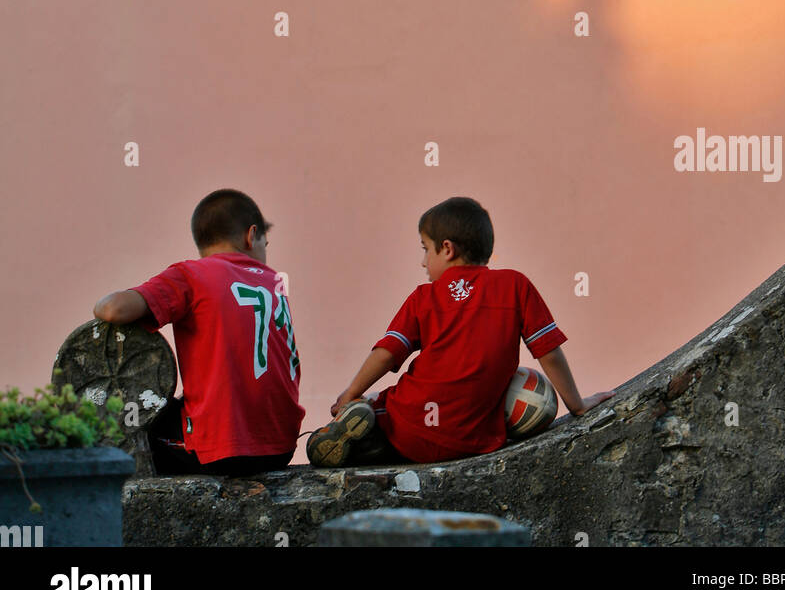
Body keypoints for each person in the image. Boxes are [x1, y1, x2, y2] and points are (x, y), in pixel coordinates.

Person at [306, 195, 613, 466]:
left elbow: (387, 354)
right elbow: (548, 351)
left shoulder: (423, 297)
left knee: (374, 411)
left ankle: (359, 428)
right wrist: (577, 404)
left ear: (447, 249)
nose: (423, 262)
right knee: (395, 425)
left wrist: (350, 393)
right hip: (474, 438)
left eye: (426, 250)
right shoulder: (515, 285)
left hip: (412, 425)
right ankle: (365, 430)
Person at [93, 188, 303, 476]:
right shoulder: (274, 282)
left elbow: (113, 309)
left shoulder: (191, 275)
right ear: (250, 235)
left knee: (136, 426)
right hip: (282, 447)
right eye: (265, 243)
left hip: (225, 452)